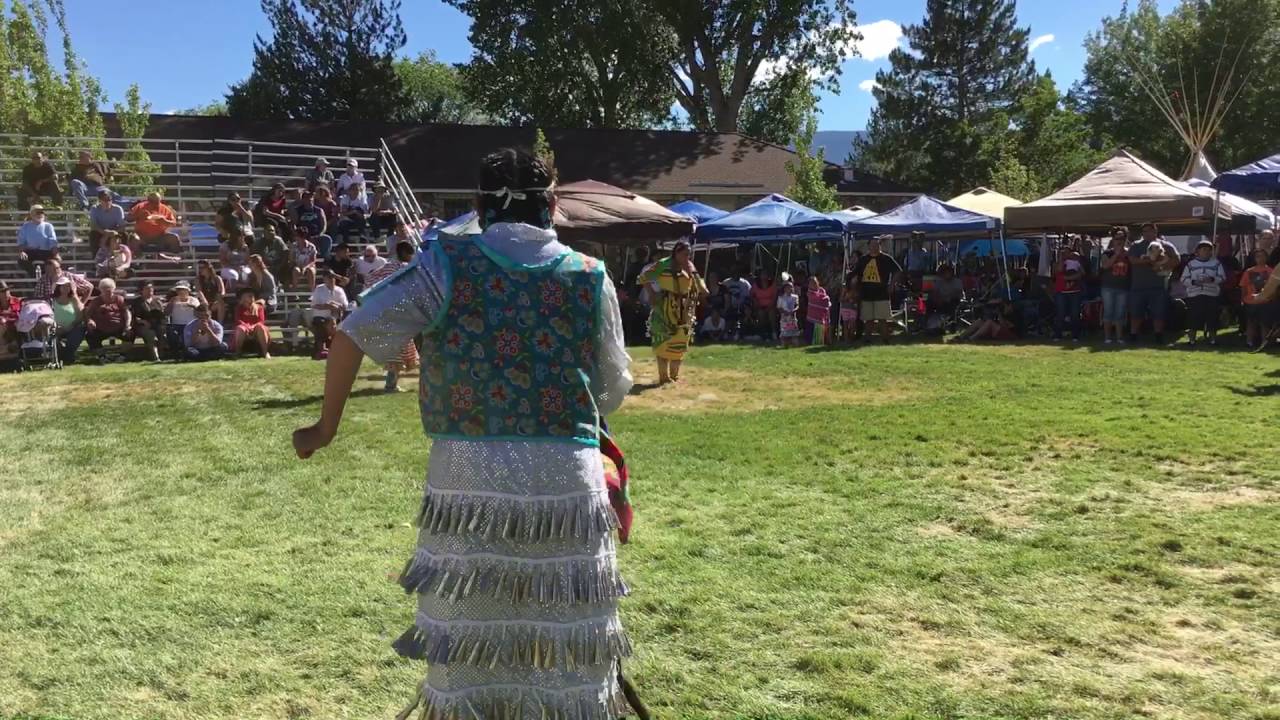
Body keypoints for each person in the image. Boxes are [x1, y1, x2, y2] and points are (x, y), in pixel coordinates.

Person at [291, 147, 636, 720]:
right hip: (565, 476)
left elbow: (354, 330)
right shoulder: (587, 275)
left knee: (473, 627)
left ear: (479, 206)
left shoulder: (446, 264)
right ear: (553, 204)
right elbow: (610, 384)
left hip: (469, 476)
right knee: (566, 630)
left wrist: (325, 427)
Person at [638, 240, 706, 384]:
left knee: (680, 340)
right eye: (684, 254)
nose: (687, 257)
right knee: (664, 340)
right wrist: (651, 294)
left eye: (689, 254)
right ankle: (663, 377)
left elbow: (698, 280)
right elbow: (643, 277)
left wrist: (702, 289)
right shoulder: (663, 263)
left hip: (684, 309)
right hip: (665, 307)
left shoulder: (689, 265)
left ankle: (674, 376)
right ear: (676, 253)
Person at [365, 241, 419, 392]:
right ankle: (391, 385)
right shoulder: (400, 267)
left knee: (398, 349)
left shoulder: (388, 266)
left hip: (386, 310)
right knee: (398, 349)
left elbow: (369, 280)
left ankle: (392, 383)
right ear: (404, 254)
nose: (411, 257)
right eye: (410, 254)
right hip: (394, 312)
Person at [1128, 222, 1179, 344]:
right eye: (1144, 231)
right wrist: (1149, 261)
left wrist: (1161, 267)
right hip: (1138, 286)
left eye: (1149, 231)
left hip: (1159, 286)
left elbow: (1177, 259)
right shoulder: (1136, 245)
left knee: (1159, 312)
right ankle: (1133, 335)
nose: (1147, 233)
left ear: (1155, 232)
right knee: (1136, 312)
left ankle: (1158, 336)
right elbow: (1132, 260)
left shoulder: (1166, 245)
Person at [855, 235, 902, 343]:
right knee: (868, 319)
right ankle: (867, 339)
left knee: (882, 318)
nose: (874, 247)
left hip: (882, 293)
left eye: (877, 245)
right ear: (868, 246)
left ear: (880, 246)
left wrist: (892, 284)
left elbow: (898, 271)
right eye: (872, 245)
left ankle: (885, 340)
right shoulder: (863, 260)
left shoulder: (886, 258)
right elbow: (856, 273)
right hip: (866, 293)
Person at [1182, 239, 1226, 346]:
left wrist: (1212, 279)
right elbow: (1183, 279)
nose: (1206, 252)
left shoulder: (1216, 263)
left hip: (1211, 294)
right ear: (1198, 251)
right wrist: (1194, 282)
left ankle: (1213, 340)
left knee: (1212, 317)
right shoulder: (1191, 264)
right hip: (1194, 295)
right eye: (1204, 249)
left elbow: (1222, 277)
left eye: (1209, 250)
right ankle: (1192, 340)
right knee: (1193, 317)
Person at [84, 278, 131, 360]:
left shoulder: (119, 299)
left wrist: (127, 325)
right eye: (105, 290)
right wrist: (89, 321)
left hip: (118, 327)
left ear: (114, 289)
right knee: (90, 336)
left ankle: (122, 356)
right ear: (101, 290)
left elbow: (127, 312)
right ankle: (102, 357)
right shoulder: (96, 301)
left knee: (131, 333)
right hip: (101, 328)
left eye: (110, 290)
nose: (107, 292)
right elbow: (87, 314)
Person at [1099, 228, 1132, 345]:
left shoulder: (1129, 253)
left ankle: (1119, 338)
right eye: (1117, 238)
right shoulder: (1107, 253)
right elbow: (1105, 266)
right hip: (1108, 287)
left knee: (1120, 313)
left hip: (1123, 287)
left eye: (1122, 238)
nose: (1120, 241)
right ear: (1113, 239)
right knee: (1108, 312)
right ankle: (1107, 338)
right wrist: (1116, 254)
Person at [309, 270, 349, 359]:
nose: (331, 280)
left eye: (332, 277)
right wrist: (326, 306)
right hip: (320, 315)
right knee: (327, 323)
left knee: (332, 321)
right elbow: (313, 305)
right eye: (329, 278)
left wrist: (335, 305)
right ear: (324, 279)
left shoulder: (339, 290)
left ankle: (325, 348)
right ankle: (332, 346)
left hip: (335, 316)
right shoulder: (319, 289)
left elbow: (345, 305)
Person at [127, 192, 182, 257]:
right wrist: (138, 215)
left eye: (157, 202)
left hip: (160, 237)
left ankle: (176, 260)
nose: (155, 204)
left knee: (174, 238)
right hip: (142, 236)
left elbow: (174, 223)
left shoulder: (165, 209)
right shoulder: (140, 207)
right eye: (152, 201)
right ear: (148, 200)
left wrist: (165, 221)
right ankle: (139, 262)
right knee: (134, 239)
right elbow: (128, 218)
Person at [1241, 248, 1274, 349]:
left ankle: (1265, 342)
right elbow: (1243, 285)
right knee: (1251, 322)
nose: (1261, 258)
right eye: (1258, 256)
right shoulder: (1249, 271)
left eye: (1263, 256)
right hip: (1251, 301)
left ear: (1266, 257)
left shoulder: (1271, 271)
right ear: (1255, 258)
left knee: (1265, 323)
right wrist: (1243, 299)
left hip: (1265, 301)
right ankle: (1249, 342)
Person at [1052, 249, 1086, 342]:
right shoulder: (1058, 263)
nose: (1067, 254)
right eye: (1064, 253)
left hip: (1075, 291)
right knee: (1060, 313)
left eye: (1068, 252)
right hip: (1061, 292)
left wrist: (1069, 277)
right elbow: (1058, 271)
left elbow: (1081, 274)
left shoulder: (1076, 262)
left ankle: (1075, 335)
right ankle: (1058, 334)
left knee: (1075, 314)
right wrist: (1061, 259)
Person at [49, 277, 85, 364]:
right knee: (52, 339)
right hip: (56, 328)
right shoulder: (51, 300)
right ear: (58, 288)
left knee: (76, 336)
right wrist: (55, 327)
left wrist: (70, 326)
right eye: (64, 286)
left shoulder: (74, 299)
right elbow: (49, 315)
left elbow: (80, 316)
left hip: (73, 327)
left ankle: (67, 356)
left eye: (68, 286)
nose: (66, 288)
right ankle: (63, 356)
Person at [230, 287, 272, 359]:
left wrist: (252, 326)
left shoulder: (259, 307)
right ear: (243, 297)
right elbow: (238, 320)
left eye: (252, 295)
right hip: (244, 328)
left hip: (256, 329)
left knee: (260, 327)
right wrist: (247, 326)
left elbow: (261, 321)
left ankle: (265, 352)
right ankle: (238, 352)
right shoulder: (239, 307)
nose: (252, 297)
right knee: (240, 328)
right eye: (249, 295)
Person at [291, 189, 332, 260]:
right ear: (303, 200)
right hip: (303, 235)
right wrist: (299, 235)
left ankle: (325, 259)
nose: (309, 199)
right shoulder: (297, 210)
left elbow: (324, 225)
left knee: (327, 239)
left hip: (316, 235)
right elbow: (293, 224)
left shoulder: (319, 210)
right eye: (307, 198)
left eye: (311, 197)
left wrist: (319, 234)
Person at [129, 280, 165, 362]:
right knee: (151, 334)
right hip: (142, 325)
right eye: (147, 288)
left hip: (157, 324)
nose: (150, 290)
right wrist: (144, 322)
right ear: (141, 290)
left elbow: (162, 314)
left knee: (163, 332)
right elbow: (135, 317)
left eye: (151, 288)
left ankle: (163, 355)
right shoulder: (137, 302)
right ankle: (155, 357)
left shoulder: (157, 301)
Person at [16, 205, 58, 276]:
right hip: (31, 252)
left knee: (54, 261)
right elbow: (21, 241)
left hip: (45, 252)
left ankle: (44, 276)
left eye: (42, 212)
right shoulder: (25, 226)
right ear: (32, 214)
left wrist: (56, 254)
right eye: (37, 212)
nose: (40, 214)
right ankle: (33, 274)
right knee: (22, 260)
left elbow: (53, 241)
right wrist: (22, 251)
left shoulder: (48, 226)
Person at [165, 280, 202, 358]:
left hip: (190, 325)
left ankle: (188, 352)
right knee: (171, 333)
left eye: (183, 289)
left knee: (186, 334)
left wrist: (193, 306)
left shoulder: (194, 300)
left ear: (188, 290)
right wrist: (171, 303)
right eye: (179, 290)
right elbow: (166, 313)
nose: (180, 292)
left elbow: (199, 313)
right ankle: (175, 353)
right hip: (176, 325)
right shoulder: (173, 300)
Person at [88, 188, 127, 254]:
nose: (107, 202)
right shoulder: (94, 209)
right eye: (105, 200)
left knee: (124, 235)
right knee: (93, 235)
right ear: (100, 200)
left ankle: (121, 257)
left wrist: (113, 232)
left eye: (109, 200)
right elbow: (93, 225)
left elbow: (122, 226)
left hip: (114, 231)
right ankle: (96, 258)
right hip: (100, 231)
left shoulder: (118, 209)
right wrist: (104, 232)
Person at [749, 271, 778, 342]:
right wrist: (755, 301)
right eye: (762, 275)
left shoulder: (773, 284)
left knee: (771, 314)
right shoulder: (756, 285)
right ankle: (764, 333)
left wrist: (769, 307)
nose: (764, 277)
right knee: (761, 314)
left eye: (765, 275)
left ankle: (774, 333)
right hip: (759, 306)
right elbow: (751, 295)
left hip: (771, 306)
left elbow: (775, 298)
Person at [806, 275, 831, 345]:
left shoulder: (822, 290)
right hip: (812, 317)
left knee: (821, 335)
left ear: (818, 282)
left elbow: (827, 298)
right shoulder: (809, 292)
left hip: (822, 317)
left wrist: (824, 299)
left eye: (814, 282)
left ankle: (825, 342)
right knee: (811, 337)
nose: (813, 284)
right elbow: (816, 299)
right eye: (811, 283)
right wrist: (824, 299)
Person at [777, 280, 802, 347]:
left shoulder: (795, 297)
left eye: (791, 287)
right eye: (788, 287)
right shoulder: (781, 297)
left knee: (794, 333)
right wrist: (784, 312)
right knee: (784, 333)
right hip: (784, 318)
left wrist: (793, 310)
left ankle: (794, 343)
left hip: (793, 318)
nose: (790, 289)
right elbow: (779, 307)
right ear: (784, 289)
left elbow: (797, 305)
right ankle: (784, 343)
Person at [839, 274, 859, 344]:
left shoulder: (856, 288)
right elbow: (841, 299)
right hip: (845, 308)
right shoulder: (845, 288)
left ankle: (851, 338)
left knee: (853, 324)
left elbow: (857, 298)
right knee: (845, 324)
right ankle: (846, 339)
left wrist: (854, 300)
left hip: (853, 308)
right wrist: (847, 298)